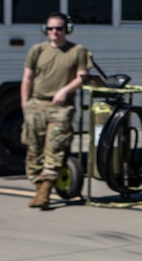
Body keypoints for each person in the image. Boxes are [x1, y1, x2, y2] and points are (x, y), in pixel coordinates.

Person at [21, 14, 92, 209]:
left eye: (59, 28)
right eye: (51, 28)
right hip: (36, 105)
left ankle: (45, 190)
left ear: (66, 29)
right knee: (33, 150)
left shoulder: (78, 51)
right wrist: (25, 105)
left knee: (55, 147)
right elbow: (27, 78)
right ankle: (39, 187)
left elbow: (82, 77)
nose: (54, 32)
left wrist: (65, 90)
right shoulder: (37, 50)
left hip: (60, 108)